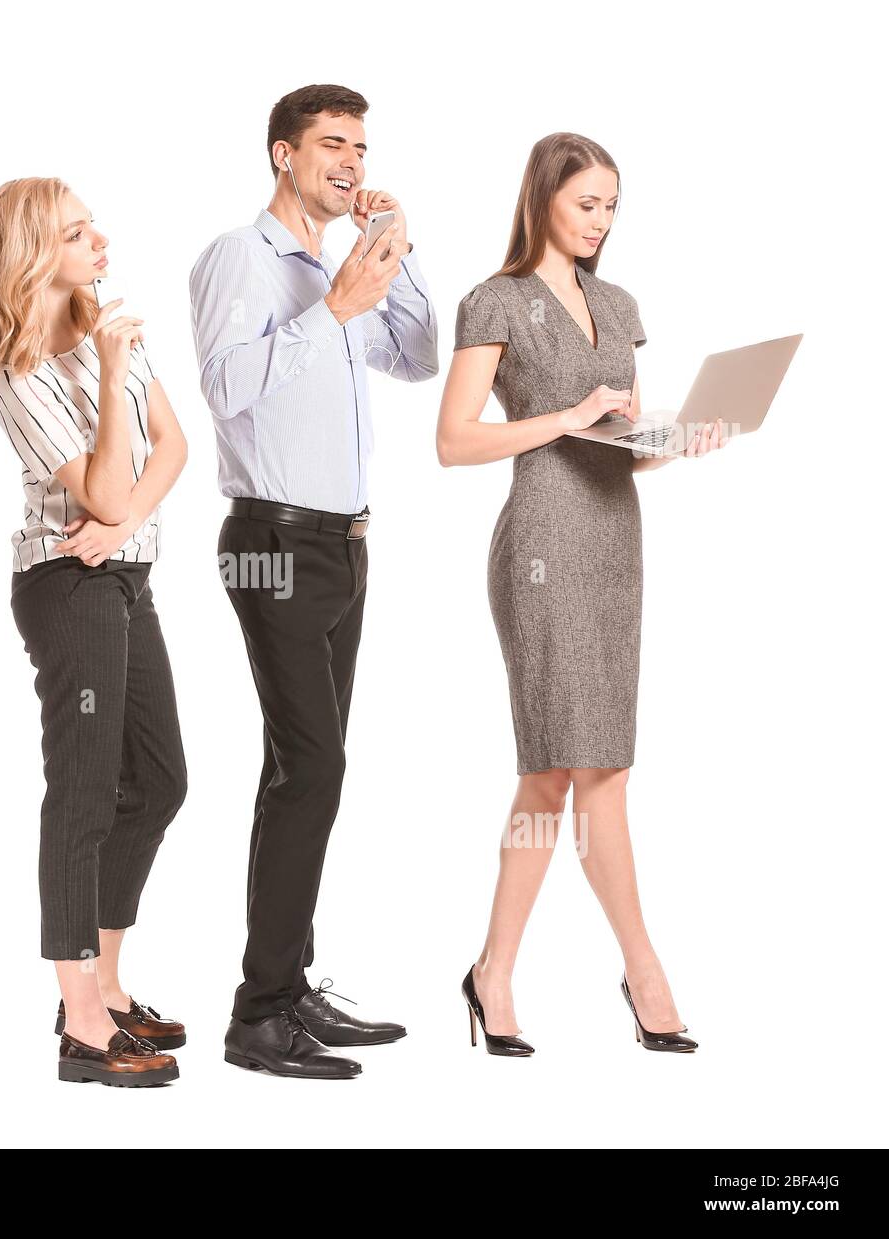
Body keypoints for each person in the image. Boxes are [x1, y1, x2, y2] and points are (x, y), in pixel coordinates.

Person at [437, 133, 723, 1056]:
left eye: (612, 207)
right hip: (541, 547)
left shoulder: (620, 303)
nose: (600, 222)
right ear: (544, 200)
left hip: (614, 540)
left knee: (574, 771)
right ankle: (644, 973)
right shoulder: (496, 299)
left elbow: (623, 437)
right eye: (587, 203)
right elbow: (453, 440)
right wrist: (562, 417)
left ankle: (493, 971)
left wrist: (678, 440)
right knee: (573, 768)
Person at [189, 84, 440, 1079]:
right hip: (269, 541)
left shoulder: (345, 265)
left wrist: (396, 250)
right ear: (282, 155)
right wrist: (326, 313)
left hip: (343, 547)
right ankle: (258, 1018)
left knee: (307, 768)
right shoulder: (237, 260)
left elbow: (419, 357)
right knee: (313, 767)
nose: (347, 159)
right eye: (329, 143)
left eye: (360, 146)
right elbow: (221, 388)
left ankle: (286, 990)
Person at [0, 178, 189, 1087]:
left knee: (161, 778)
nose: (99, 241)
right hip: (66, 583)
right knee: (87, 788)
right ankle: (82, 1019)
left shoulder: (115, 330)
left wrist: (123, 519)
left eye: (94, 227)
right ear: (32, 254)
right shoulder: (16, 372)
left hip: (125, 573)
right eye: (75, 233)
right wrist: (102, 378)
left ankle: (103, 980)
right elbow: (92, 490)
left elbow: (173, 447)